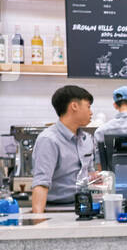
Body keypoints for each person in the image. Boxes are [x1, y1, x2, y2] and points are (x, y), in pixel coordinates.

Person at [31, 84, 95, 213]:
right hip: (57, 209)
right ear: (74, 106)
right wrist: (37, 221)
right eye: (88, 107)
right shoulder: (49, 140)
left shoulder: (87, 139)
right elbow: (41, 183)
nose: (91, 112)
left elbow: (90, 174)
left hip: (85, 206)